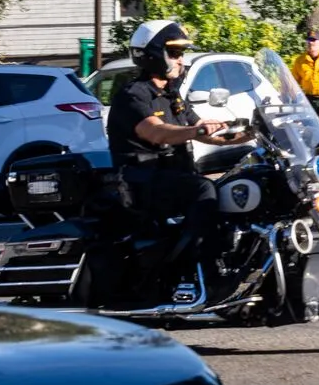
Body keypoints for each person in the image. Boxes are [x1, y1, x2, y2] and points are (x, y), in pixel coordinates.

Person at [106, 21, 249, 280]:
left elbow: (207, 131)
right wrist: (197, 131)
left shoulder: (173, 96)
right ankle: (200, 265)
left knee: (240, 180)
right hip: (142, 182)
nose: (181, 60)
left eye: (181, 54)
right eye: (174, 53)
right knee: (204, 189)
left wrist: (249, 135)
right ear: (152, 55)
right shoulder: (133, 96)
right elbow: (157, 132)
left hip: (172, 177)